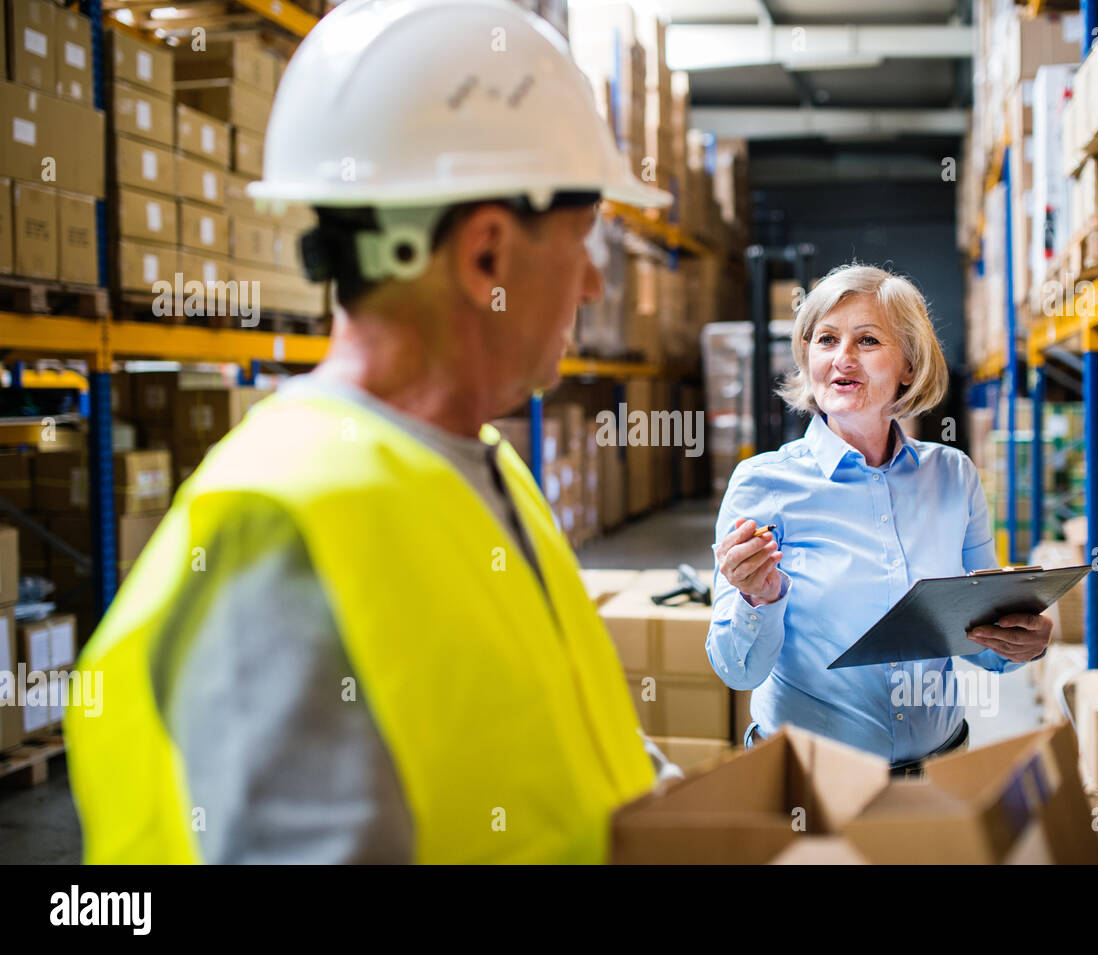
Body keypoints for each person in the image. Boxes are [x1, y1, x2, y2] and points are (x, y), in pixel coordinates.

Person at [65, 0, 676, 864]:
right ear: (487, 257)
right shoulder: (284, 523)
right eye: (585, 242)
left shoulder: (481, 467)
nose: (592, 286)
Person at [708, 264, 1052, 774]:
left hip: (939, 772)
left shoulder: (953, 476)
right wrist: (758, 598)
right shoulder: (763, 485)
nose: (842, 358)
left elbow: (982, 636)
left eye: (867, 340)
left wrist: (1020, 642)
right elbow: (737, 670)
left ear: (908, 365)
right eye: (826, 339)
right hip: (811, 781)